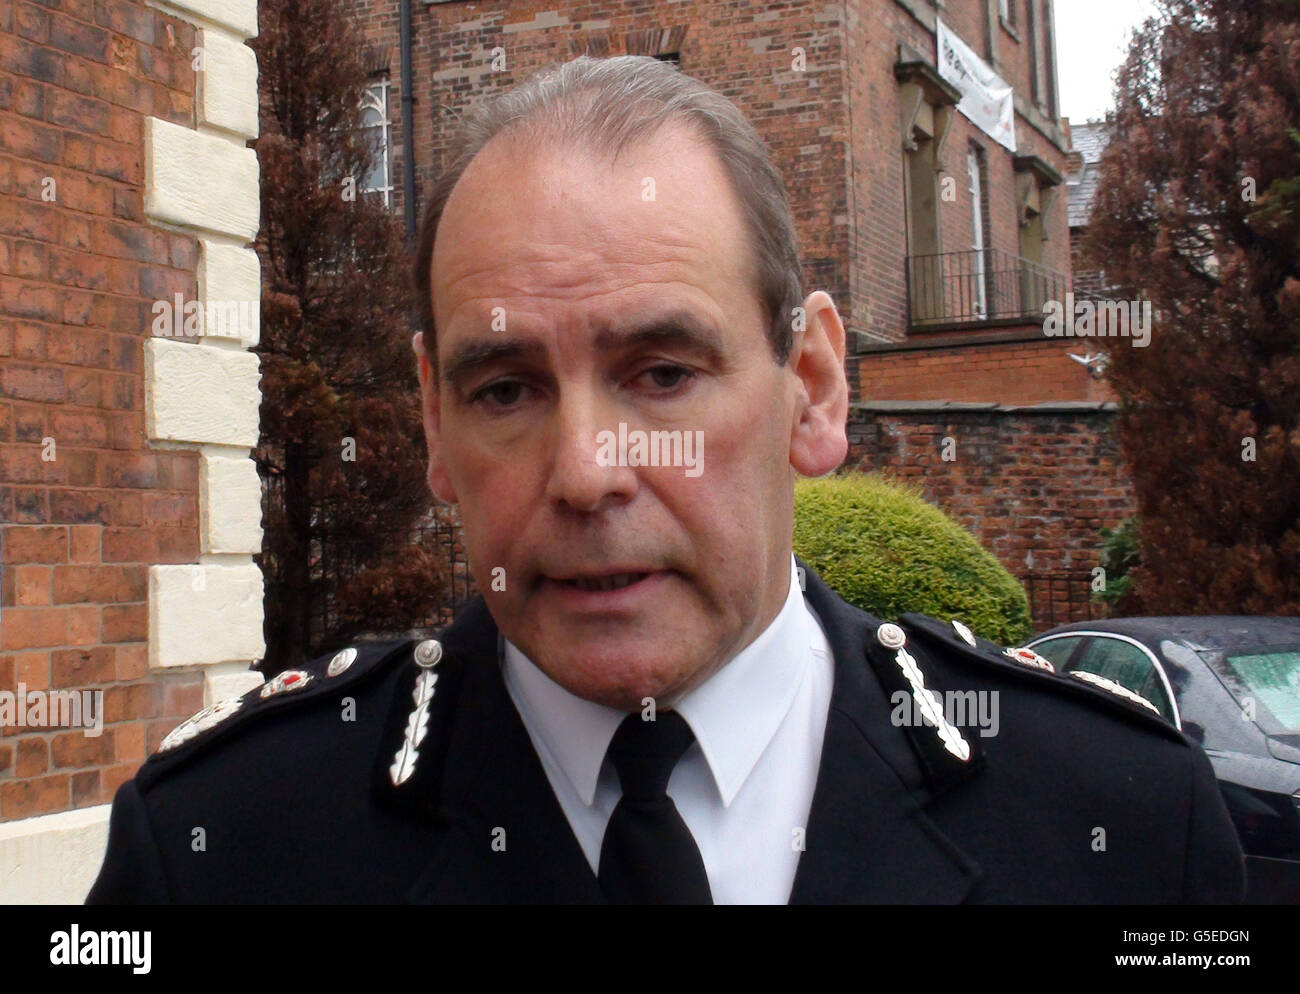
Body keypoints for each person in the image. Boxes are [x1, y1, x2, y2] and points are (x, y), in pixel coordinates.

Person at [88, 55, 1244, 904]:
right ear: (434, 418)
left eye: (661, 372)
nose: (588, 474)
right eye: (506, 390)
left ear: (813, 385)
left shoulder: (1124, 826)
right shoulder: (221, 848)